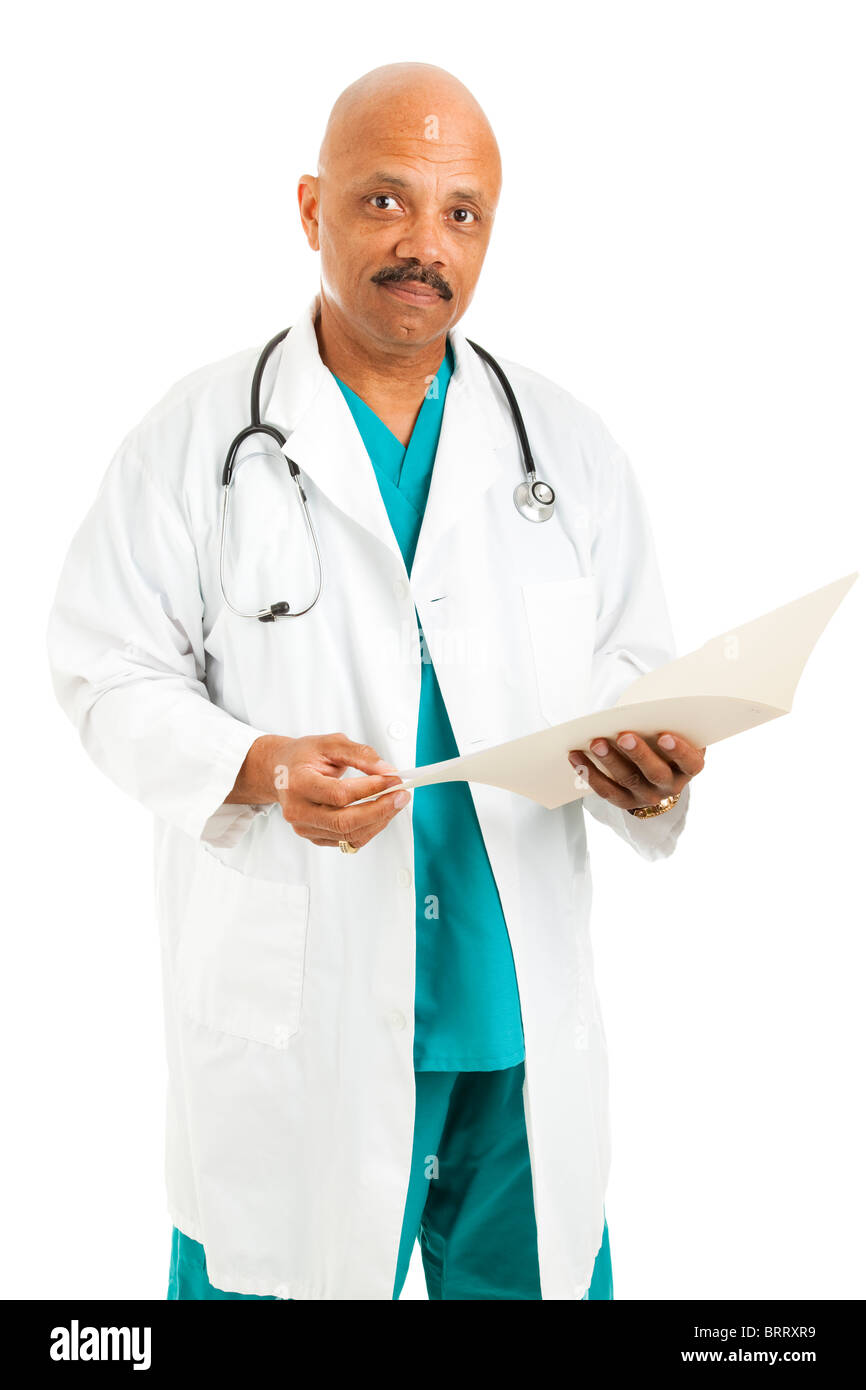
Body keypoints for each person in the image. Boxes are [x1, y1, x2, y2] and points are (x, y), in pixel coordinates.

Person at [46, 61, 705, 1301]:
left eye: (461, 213)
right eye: (384, 202)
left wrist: (652, 769)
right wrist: (257, 765)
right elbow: (102, 666)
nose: (424, 244)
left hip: (509, 1040)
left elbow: (633, 668)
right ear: (310, 208)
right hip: (305, 1025)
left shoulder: (564, 447)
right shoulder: (194, 441)